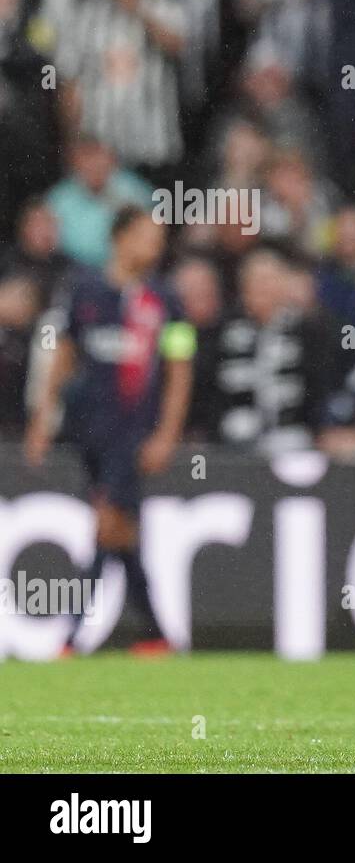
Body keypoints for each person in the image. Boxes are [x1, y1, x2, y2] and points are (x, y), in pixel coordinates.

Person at [25, 207, 195, 656]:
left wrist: (166, 435)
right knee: (122, 532)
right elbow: (62, 353)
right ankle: (157, 635)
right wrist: (44, 418)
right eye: (147, 236)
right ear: (120, 238)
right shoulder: (84, 290)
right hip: (90, 429)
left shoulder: (166, 299)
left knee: (107, 523)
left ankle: (71, 636)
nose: (156, 245)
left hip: (134, 433)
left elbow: (180, 369)